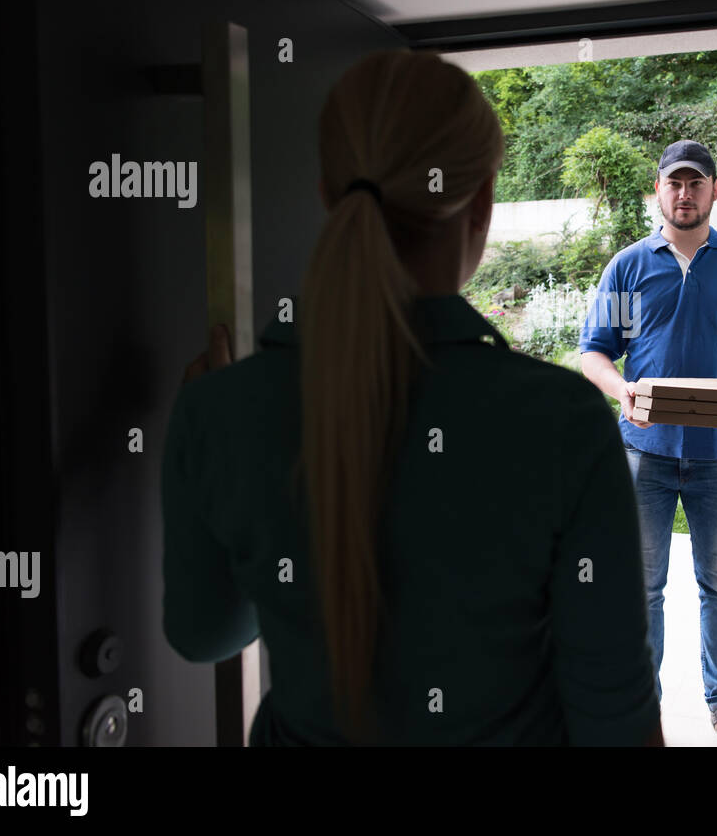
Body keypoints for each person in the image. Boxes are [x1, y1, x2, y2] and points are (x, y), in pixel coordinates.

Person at [162, 48, 664, 746]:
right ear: (481, 202)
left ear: (325, 194)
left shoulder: (215, 413)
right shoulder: (563, 423)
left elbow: (203, 632)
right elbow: (616, 721)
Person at [579, 140, 717, 746]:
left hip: (716, 459)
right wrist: (622, 391)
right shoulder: (628, 266)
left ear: (714, 190)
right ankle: (641, 707)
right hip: (642, 454)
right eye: (674, 183)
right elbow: (594, 350)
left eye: (696, 182)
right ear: (658, 190)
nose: (684, 193)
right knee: (642, 586)